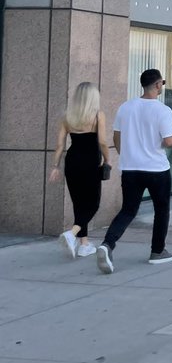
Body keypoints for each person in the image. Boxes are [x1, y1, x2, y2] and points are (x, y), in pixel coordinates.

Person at [95, 69, 172, 274]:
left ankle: (107, 244)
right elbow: (168, 141)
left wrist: (127, 155)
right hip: (157, 169)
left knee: (128, 210)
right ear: (158, 85)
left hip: (131, 169)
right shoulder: (163, 110)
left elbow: (116, 137)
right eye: (162, 83)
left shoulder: (126, 107)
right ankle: (157, 252)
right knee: (161, 209)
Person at [49, 82, 110, 259]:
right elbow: (103, 142)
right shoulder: (98, 116)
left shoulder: (67, 116)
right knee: (93, 203)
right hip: (91, 163)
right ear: (93, 97)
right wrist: (107, 159)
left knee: (79, 203)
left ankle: (84, 245)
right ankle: (73, 233)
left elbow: (60, 145)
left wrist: (55, 166)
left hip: (72, 162)